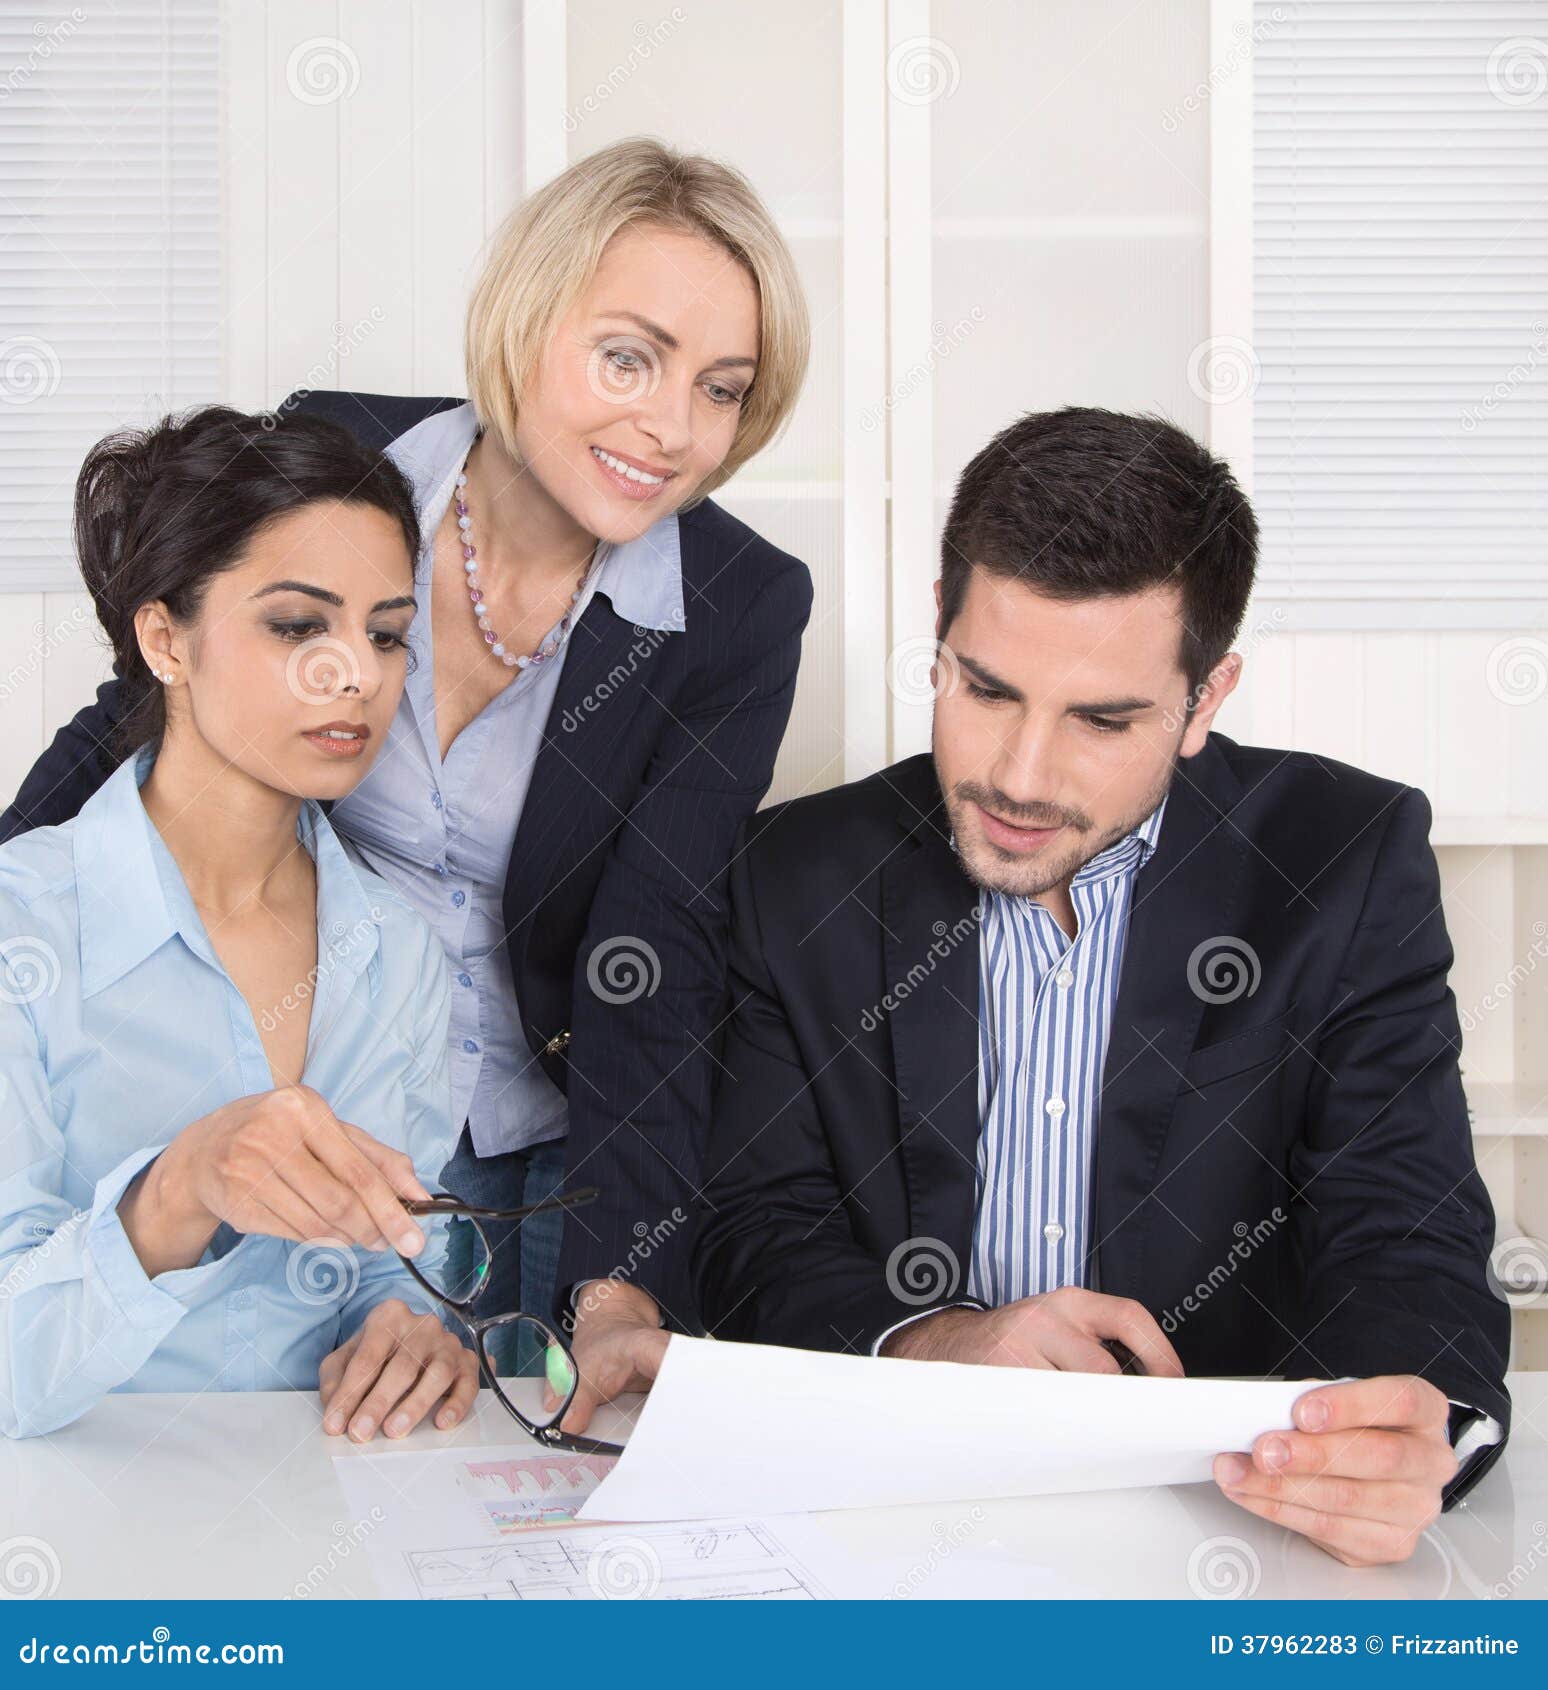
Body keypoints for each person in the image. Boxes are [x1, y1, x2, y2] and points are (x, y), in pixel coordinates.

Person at [1, 137, 813, 1428]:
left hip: (545, 1151)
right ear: (526, 317)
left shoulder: (736, 605)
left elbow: (653, 947)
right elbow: (145, 704)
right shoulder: (335, 457)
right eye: (629, 357)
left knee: (458, 1485)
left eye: (722, 387)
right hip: (269, 1097)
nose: (672, 428)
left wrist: (617, 1281)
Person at [694, 406, 1511, 1567]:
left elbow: (1405, 1230)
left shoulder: (1344, 860)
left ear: (1205, 699)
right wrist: (937, 1344)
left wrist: (1407, 1432)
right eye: (985, 690)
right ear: (939, 628)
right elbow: (751, 1227)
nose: (1020, 777)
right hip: (886, 1532)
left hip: (1233, 1536)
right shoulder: (795, 874)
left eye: (1103, 718)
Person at [0, 406, 481, 1442]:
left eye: (387, 633)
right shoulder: (19, 930)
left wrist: (411, 1324)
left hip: (332, 1524)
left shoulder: (395, 947)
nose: (356, 672)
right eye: (298, 624)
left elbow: (410, 1257)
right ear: (166, 637)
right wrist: (178, 1189)